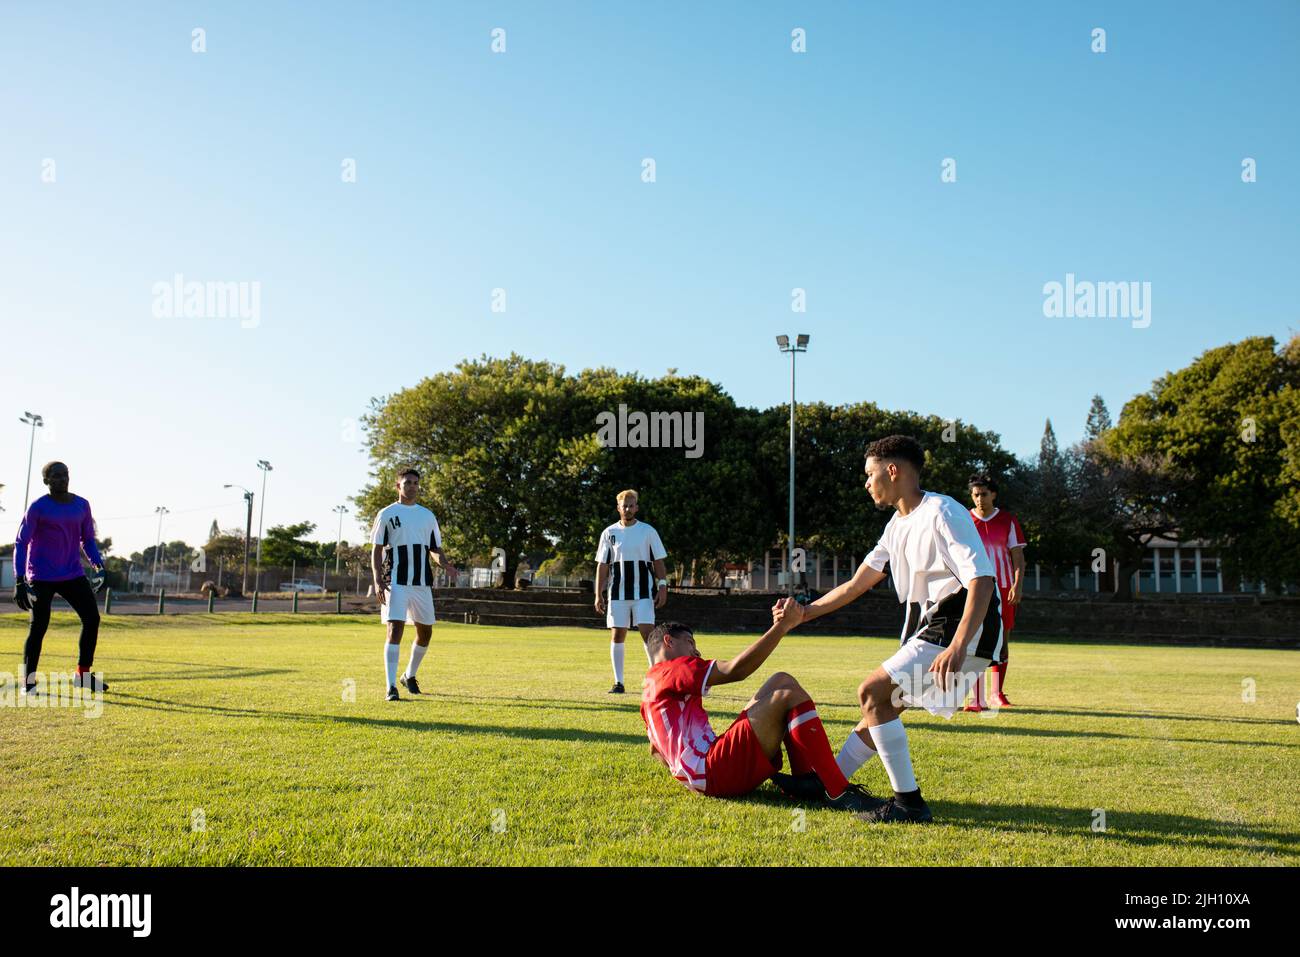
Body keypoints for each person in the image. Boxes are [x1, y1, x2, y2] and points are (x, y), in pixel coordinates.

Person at [774, 435, 1001, 823]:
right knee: (881, 706)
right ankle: (829, 783)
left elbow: (981, 578)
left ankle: (909, 804)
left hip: (958, 625)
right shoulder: (896, 525)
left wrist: (959, 644)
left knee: (872, 692)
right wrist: (804, 613)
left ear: (892, 470)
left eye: (870, 473)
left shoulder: (943, 511)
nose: (866, 482)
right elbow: (858, 583)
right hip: (932, 627)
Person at [640, 608, 880, 814]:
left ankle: (805, 782)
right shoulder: (671, 668)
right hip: (713, 770)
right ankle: (837, 792)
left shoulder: (649, 688)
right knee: (787, 696)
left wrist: (689, 777)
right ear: (669, 642)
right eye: (691, 643)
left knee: (781, 680)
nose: (696, 652)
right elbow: (736, 670)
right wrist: (781, 626)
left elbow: (655, 750)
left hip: (707, 772)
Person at [12, 461, 108, 694]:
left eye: (65, 475)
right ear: (46, 481)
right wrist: (20, 581)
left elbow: (88, 540)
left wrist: (99, 566)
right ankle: (28, 682)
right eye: (56, 476)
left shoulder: (82, 505)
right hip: (41, 575)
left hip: (72, 573)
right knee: (39, 626)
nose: (62, 479)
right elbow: (21, 542)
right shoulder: (38, 507)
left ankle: (83, 675)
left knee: (92, 618)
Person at [370, 468, 458, 701]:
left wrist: (445, 565)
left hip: (421, 583)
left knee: (426, 631)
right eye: (407, 482)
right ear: (398, 486)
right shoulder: (387, 514)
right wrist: (377, 579)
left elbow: (434, 548)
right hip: (395, 581)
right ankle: (391, 687)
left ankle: (408, 675)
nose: (412, 486)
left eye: (416, 483)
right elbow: (377, 549)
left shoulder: (427, 516)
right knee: (395, 629)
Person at [594, 490, 668, 694]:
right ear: (618, 508)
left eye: (631, 505)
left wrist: (662, 585)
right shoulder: (609, 533)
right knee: (618, 635)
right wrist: (597, 593)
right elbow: (602, 565)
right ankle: (618, 682)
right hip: (617, 593)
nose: (627, 509)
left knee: (648, 634)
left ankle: (656, 679)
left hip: (643, 592)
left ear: (637, 507)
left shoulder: (648, 531)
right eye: (624, 506)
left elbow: (658, 561)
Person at [966, 473, 1025, 709]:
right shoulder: (965, 519)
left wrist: (1017, 584)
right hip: (975, 588)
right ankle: (976, 698)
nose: (979, 499)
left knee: (1002, 641)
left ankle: (996, 693)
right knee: (973, 640)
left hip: (1003, 588)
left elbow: (1018, 556)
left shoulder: (1008, 520)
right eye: (975, 494)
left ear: (994, 495)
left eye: (984, 494)